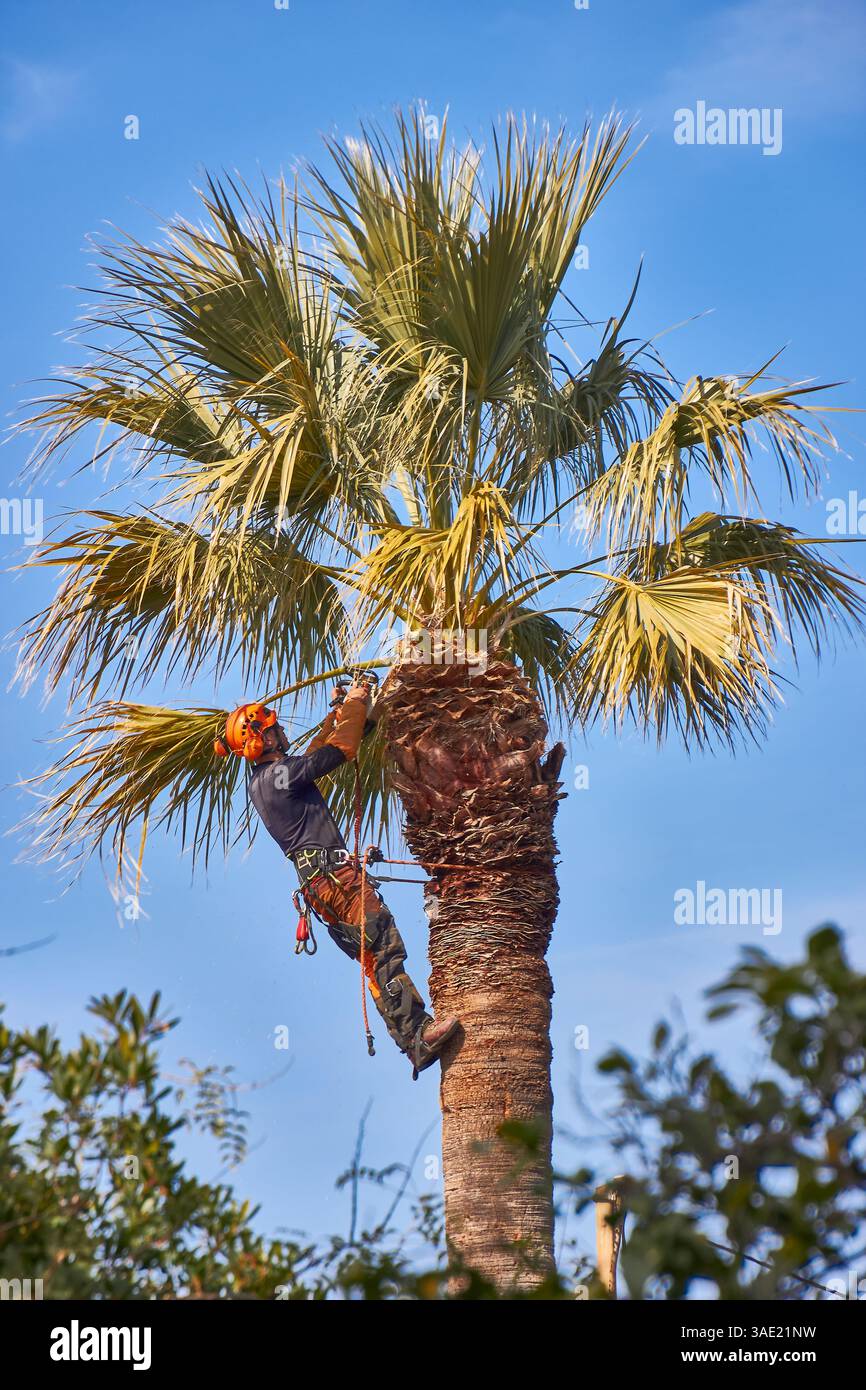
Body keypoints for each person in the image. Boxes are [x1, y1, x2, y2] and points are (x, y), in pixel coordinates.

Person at [214, 684, 458, 1076]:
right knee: (381, 949)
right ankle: (417, 1036)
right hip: (334, 879)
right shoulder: (277, 776)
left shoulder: (268, 779)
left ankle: (414, 1039)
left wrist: (343, 713)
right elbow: (338, 752)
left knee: (373, 955)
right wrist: (358, 703)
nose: (282, 733)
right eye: (274, 730)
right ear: (260, 740)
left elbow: (319, 750)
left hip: (326, 880)